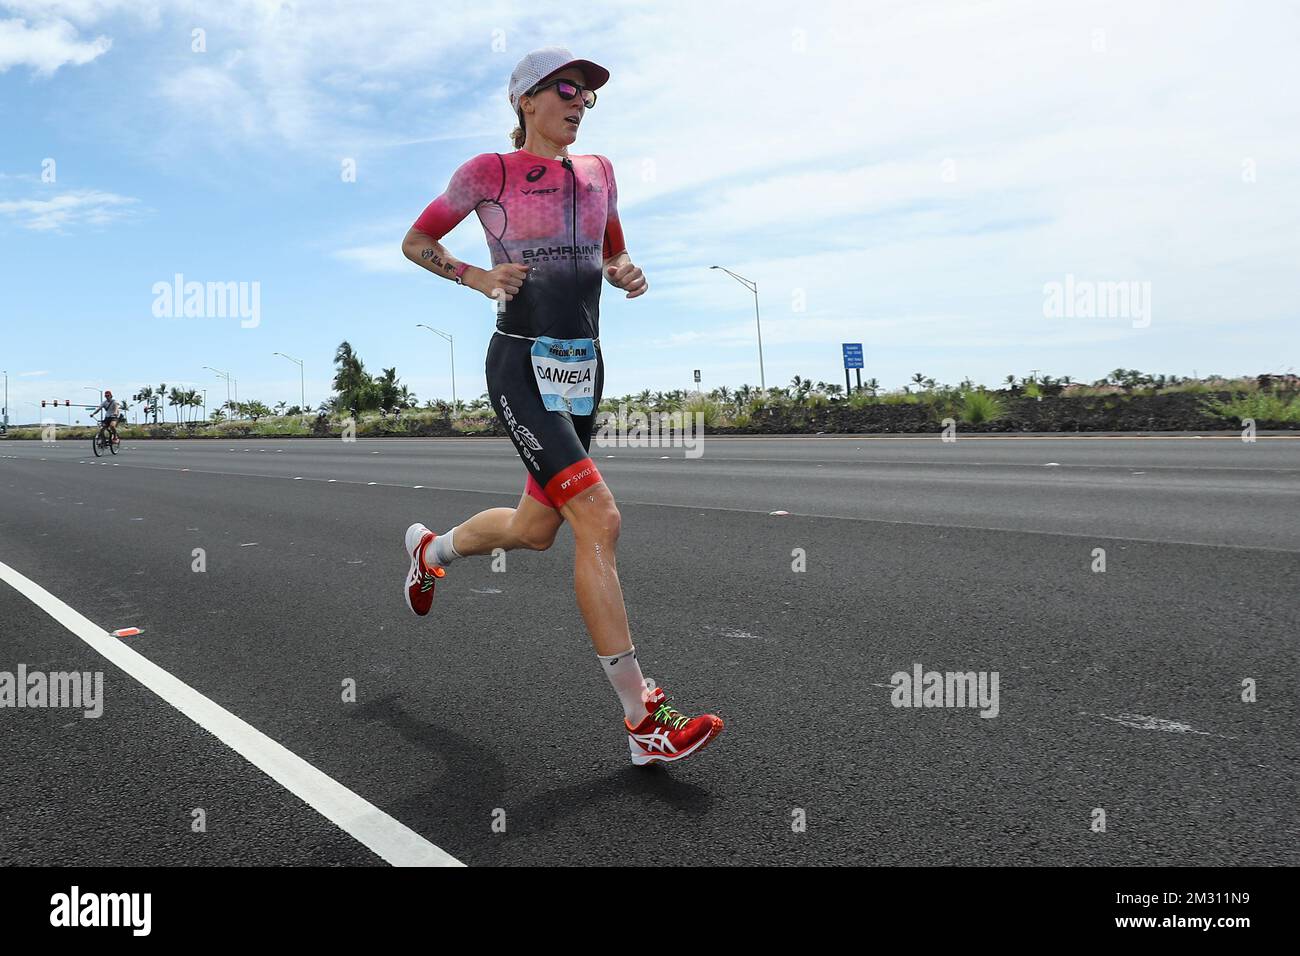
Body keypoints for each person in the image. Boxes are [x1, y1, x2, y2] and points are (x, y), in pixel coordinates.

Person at [399, 47, 722, 766]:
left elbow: (612, 252)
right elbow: (417, 241)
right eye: (567, 90)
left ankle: (431, 550)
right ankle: (642, 718)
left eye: (588, 95)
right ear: (526, 100)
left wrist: (624, 270)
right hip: (520, 362)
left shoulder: (601, 172)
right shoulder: (489, 172)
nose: (580, 103)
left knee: (535, 529)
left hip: (583, 368)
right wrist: (477, 275)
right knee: (599, 518)